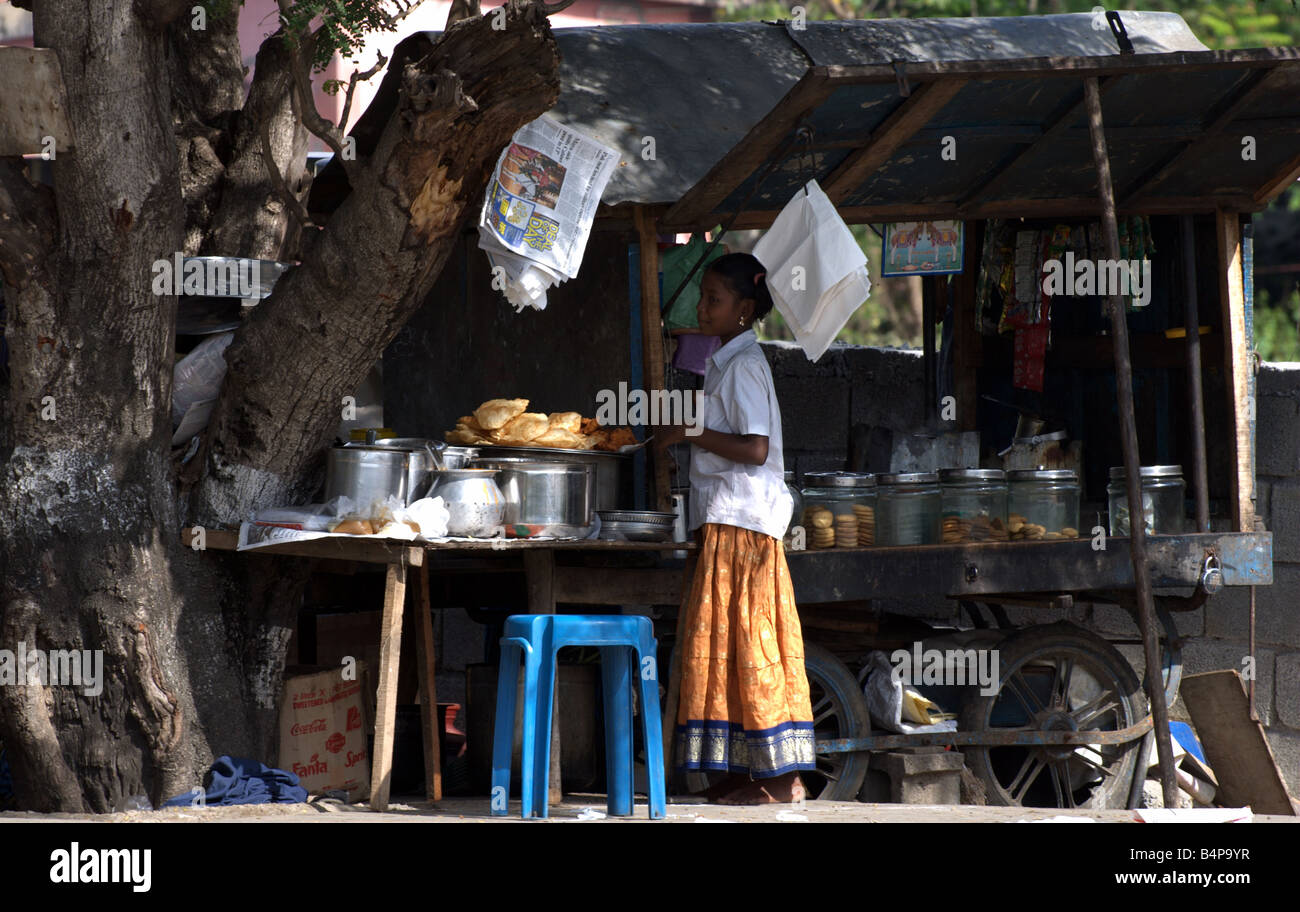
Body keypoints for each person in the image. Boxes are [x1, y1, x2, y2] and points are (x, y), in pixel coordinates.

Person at [655, 251, 816, 805]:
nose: (702, 308)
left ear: (744, 310)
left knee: (751, 645)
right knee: (722, 645)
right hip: (727, 521)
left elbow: (755, 448)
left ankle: (778, 777)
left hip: (746, 525)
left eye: (714, 300)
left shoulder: (745, 365)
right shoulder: (726, 360)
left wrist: (691, 433)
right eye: (702, 298)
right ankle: (745, 770)